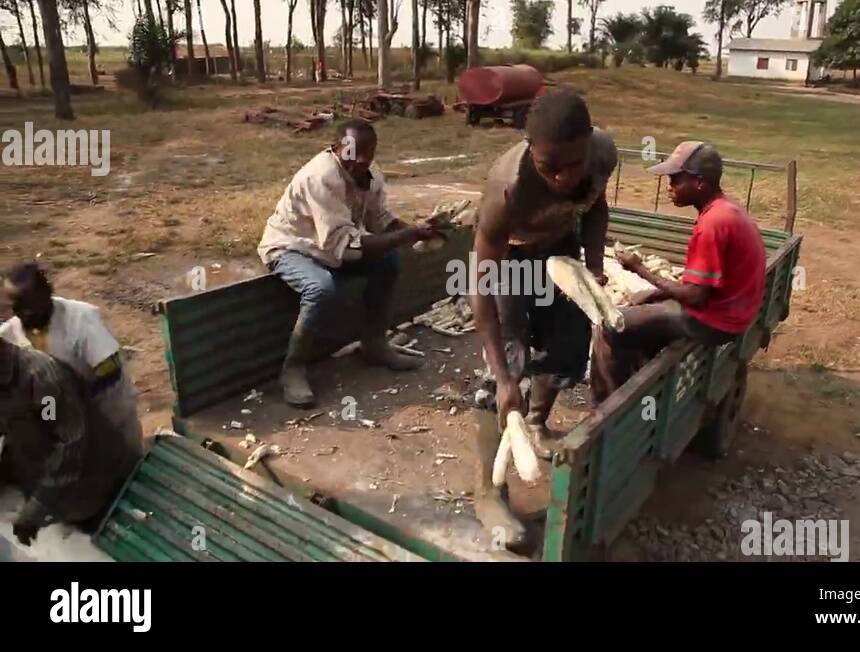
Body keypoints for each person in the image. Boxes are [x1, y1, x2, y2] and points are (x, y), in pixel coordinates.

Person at [470, 89, 617, 546]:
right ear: (529, 148)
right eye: (549, 166)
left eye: (572, 164)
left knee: (568, 349)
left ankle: (535, 421)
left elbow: (595, 207)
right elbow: (482, 285)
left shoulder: (603, 154)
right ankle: (488, 493)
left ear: (589, 143)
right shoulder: (507, 189)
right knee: (507, 364)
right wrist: (502, 376)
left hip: (561, 249)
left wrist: (594, 266)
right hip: (511, 261)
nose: (562, 177)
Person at [258, 119, 444, 408]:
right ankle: (293, 368)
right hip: (292, 247)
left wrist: (421, 230)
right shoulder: (320, 178)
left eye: (366, 153)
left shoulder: (371, 175)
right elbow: (344, 247)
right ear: (336, 148)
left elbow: (380, 220)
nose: (359, 159)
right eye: (351, 152)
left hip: (331, 245)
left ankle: (374, 345)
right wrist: (409, 235)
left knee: (388, 262)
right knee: (321, 288)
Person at [590, 141, 767, 403]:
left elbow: (696, 297)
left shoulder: (712, 224)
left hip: (715, 322)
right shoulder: (725, 209)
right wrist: (655, 295)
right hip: (732, 313)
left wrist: (639, 269)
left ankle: (607, 411)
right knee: (642, 313)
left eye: (675, 179)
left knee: (608, 327)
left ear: (699, 182)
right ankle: (640, 384)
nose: (668, 186)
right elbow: (704, 288)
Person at [0, 339, 140, 546]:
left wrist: (38, 506)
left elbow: (70, 445)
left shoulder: (40, 379)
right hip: (47, 475)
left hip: (92, 482)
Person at [0, 263, 144, 462]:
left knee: (120, 463)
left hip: (106, 411)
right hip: (57, 417)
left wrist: (76, 397)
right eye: (18, 307)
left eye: (31, 305)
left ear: (48, 293)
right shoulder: (9, 334)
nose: (26, 313)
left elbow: (110, 369)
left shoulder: (80, 319)